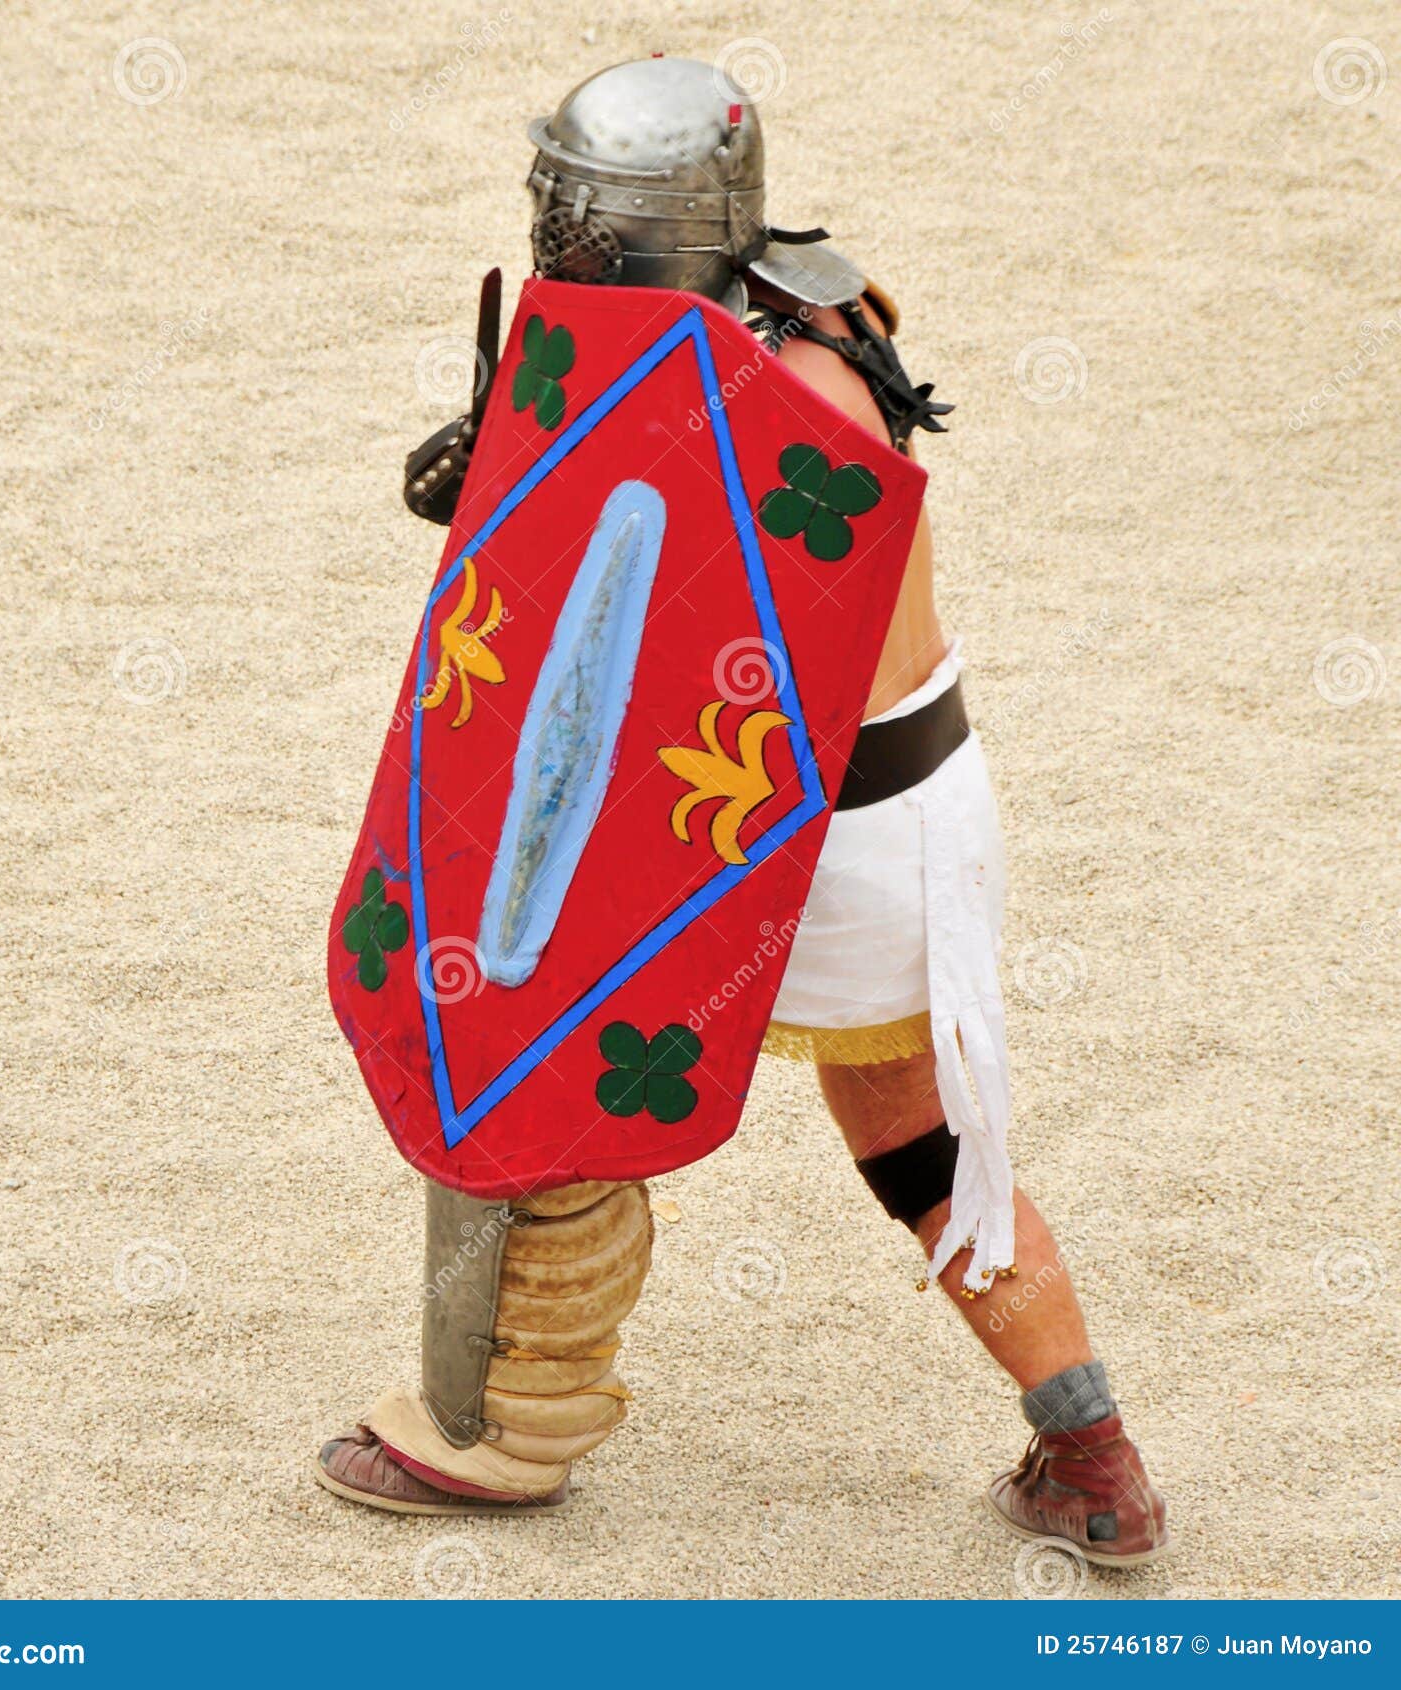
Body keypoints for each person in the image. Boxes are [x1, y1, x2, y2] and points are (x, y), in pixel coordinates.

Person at [318, 54, 1167, 1567]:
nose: (552, 221)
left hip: (818, 825)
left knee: (535, 1048)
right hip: (898, 799)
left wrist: (533, 501)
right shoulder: (809, 313)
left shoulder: (744, 386)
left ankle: (503, 1433)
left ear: (620, 215)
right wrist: (511, 489)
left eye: (571, 199)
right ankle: (1092, 1453)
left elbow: (650, 644)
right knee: (917, 1149)